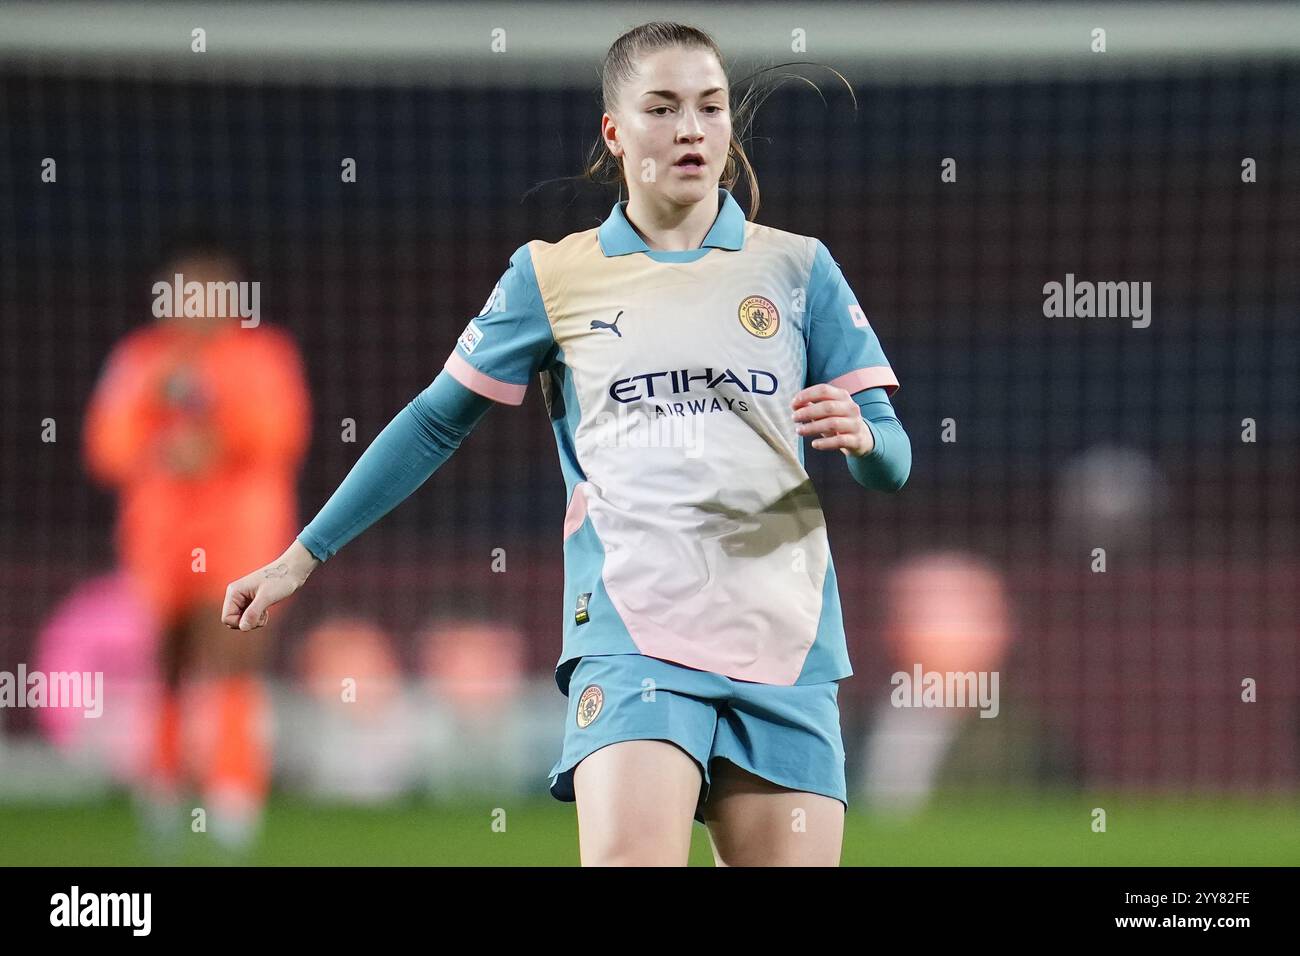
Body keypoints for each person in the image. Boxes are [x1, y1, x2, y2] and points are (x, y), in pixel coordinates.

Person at [221, 21, 911, 866]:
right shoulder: (552, 275)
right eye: (662, 108)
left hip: (787, 642)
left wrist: (864, 442)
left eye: (710, 107)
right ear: (616, 132)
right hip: (632, 637)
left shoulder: (798, 268)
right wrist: (301, 556)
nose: (690, 129)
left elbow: (893, 457)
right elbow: (437, 419)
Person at [85, 243, 311, 849]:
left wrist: (218, 437)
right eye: (184, 290)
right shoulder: (139, 360)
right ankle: (160, 789)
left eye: (209, 290)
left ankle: (233, 797)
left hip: (242, 532)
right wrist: (159, 448)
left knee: (234, 655)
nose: (196, 304)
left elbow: (282, 431)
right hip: (159, 538)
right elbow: (106, 443)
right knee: (167, 662)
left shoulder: (262, 356)